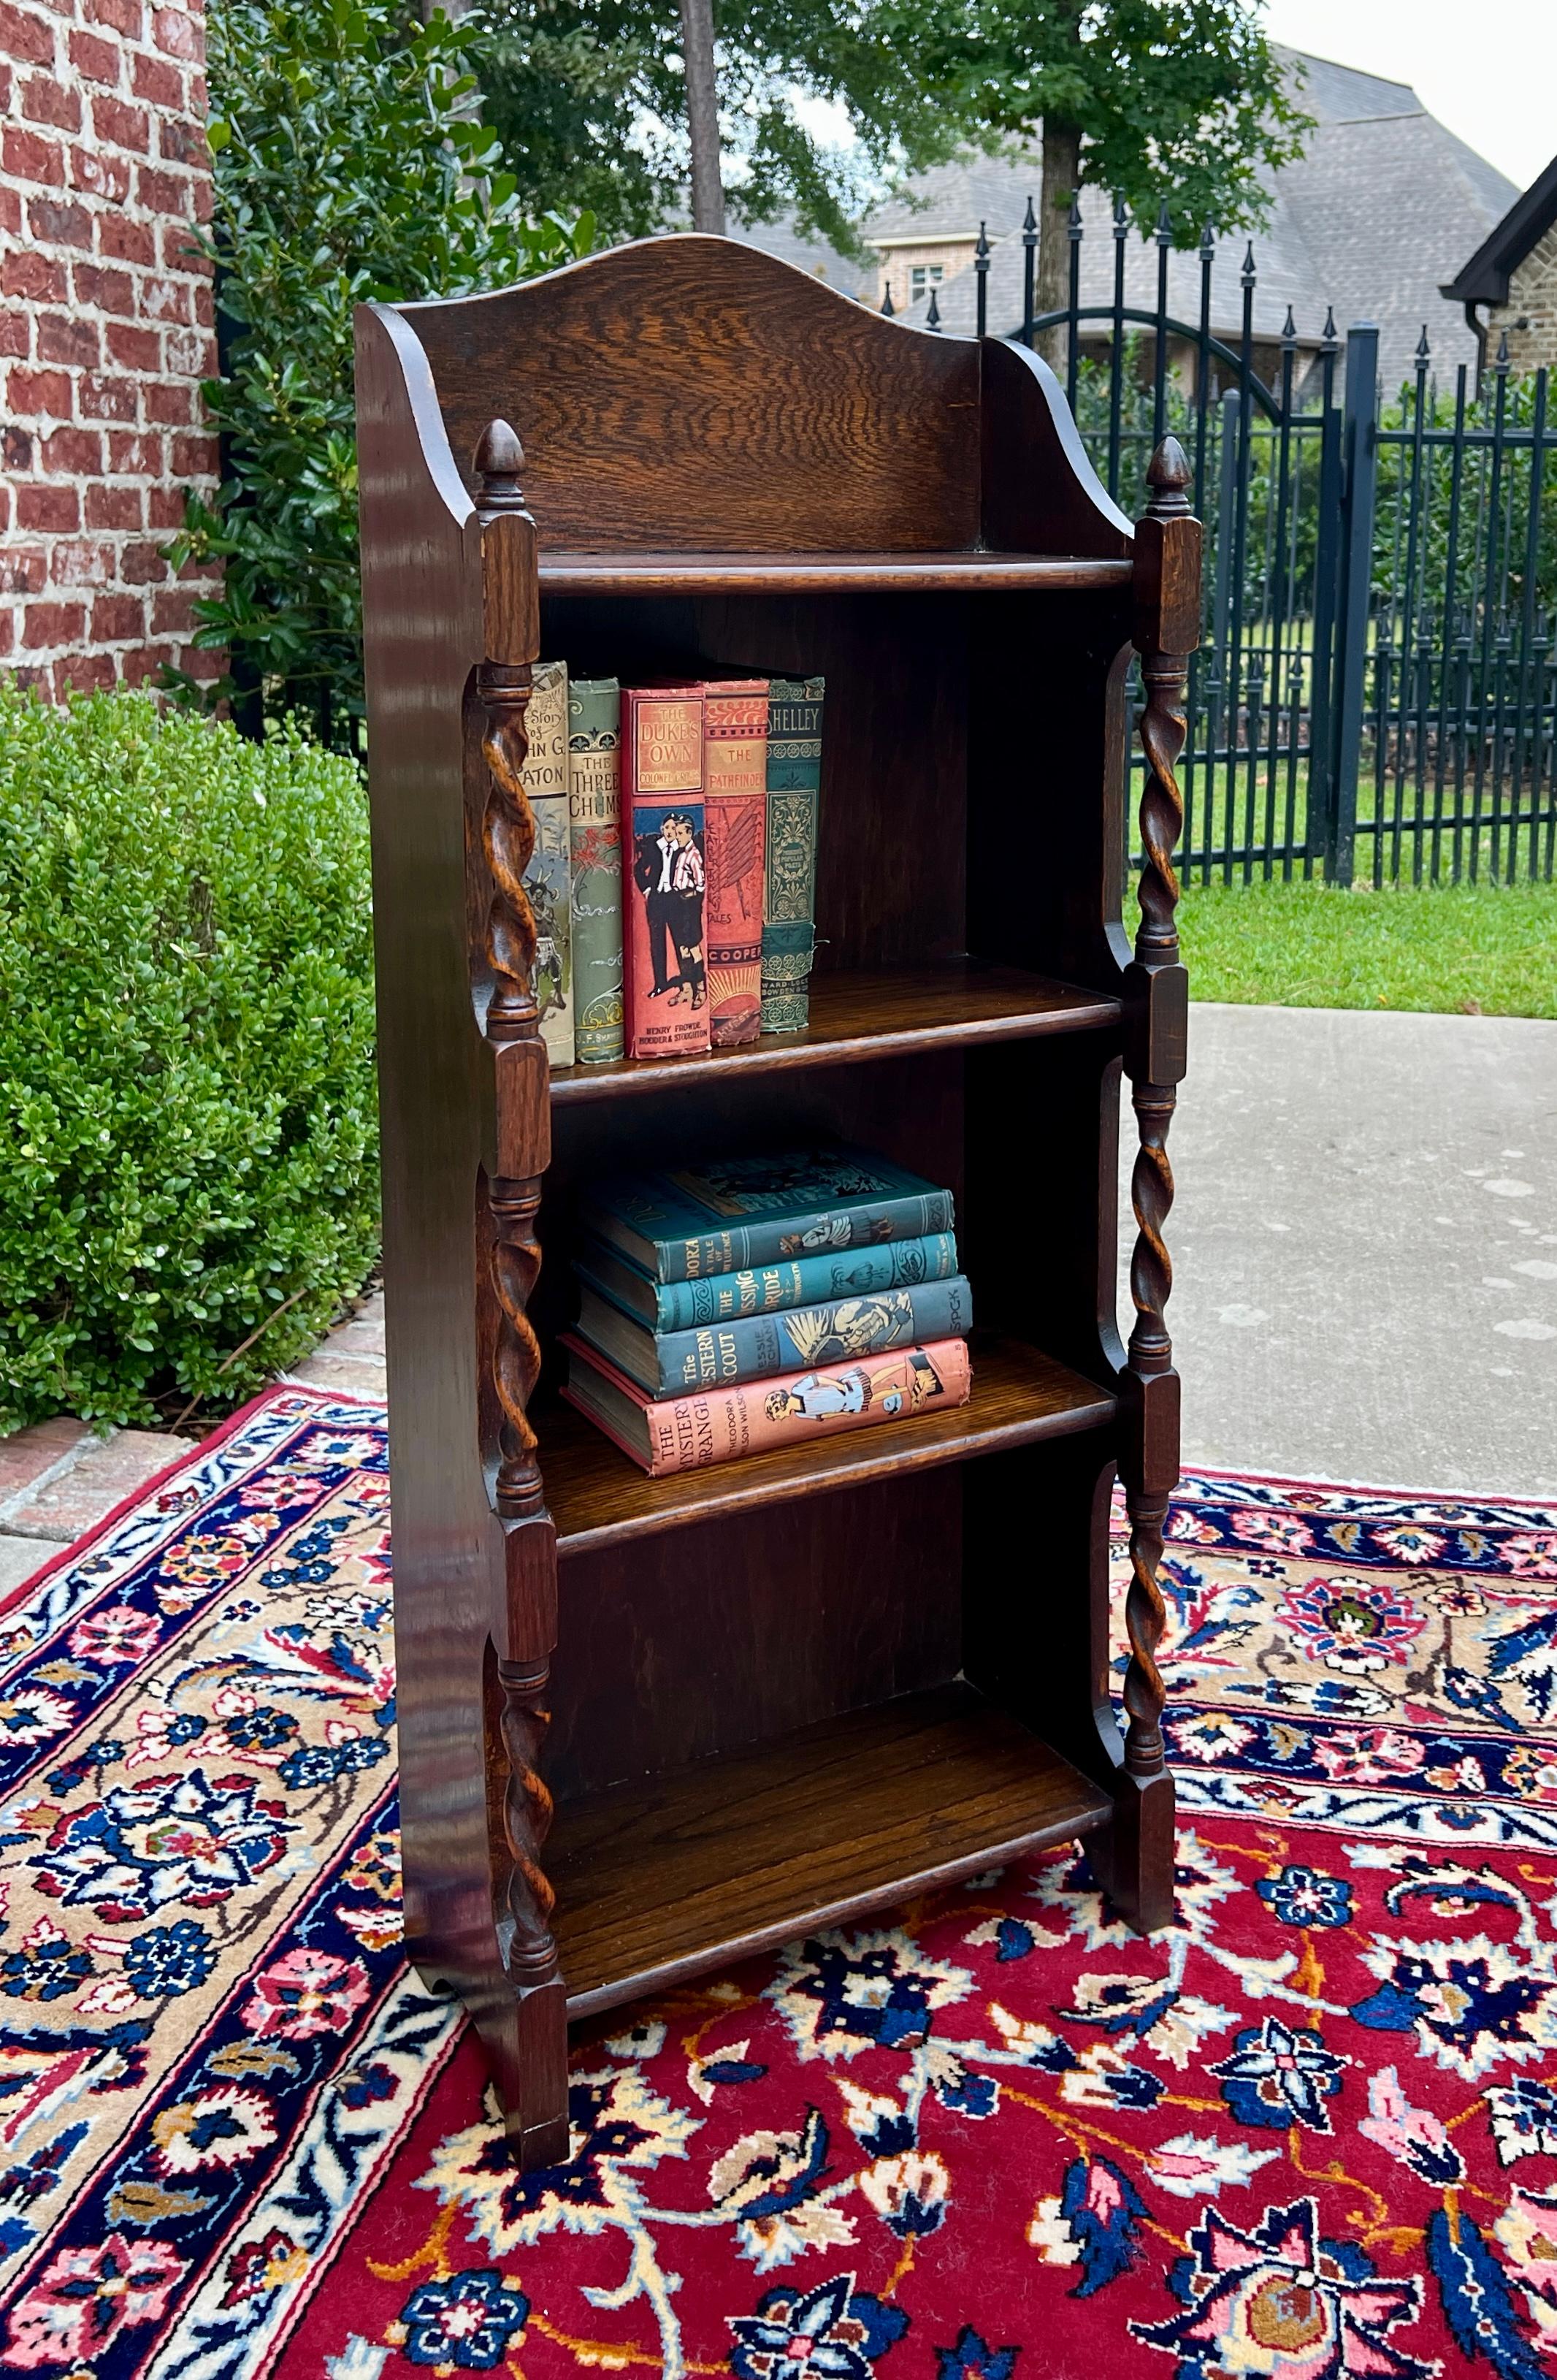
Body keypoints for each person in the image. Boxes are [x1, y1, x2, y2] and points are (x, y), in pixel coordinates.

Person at [632, 813, 684, 996]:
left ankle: (685, 981)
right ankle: (660, 983)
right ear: (662, 830)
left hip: (675, 900)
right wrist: (646, 890)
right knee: (657, 942)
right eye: (667, 828)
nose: (670, 832)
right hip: (656, 900)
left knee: (681, 940)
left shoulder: (682, 849)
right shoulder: (654, 848)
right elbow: (639, 868)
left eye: (674, 828)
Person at [666, 811, 706, 1010]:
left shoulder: (694, 856)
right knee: (682, 949)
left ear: (690, 833)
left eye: (681, 833)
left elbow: (700, 884)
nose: (678, 836)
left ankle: (701, 990)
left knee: (693, 949)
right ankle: (687, 989)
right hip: (679, 903)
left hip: (690, 905)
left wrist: (692, 902)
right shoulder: (680, 853)